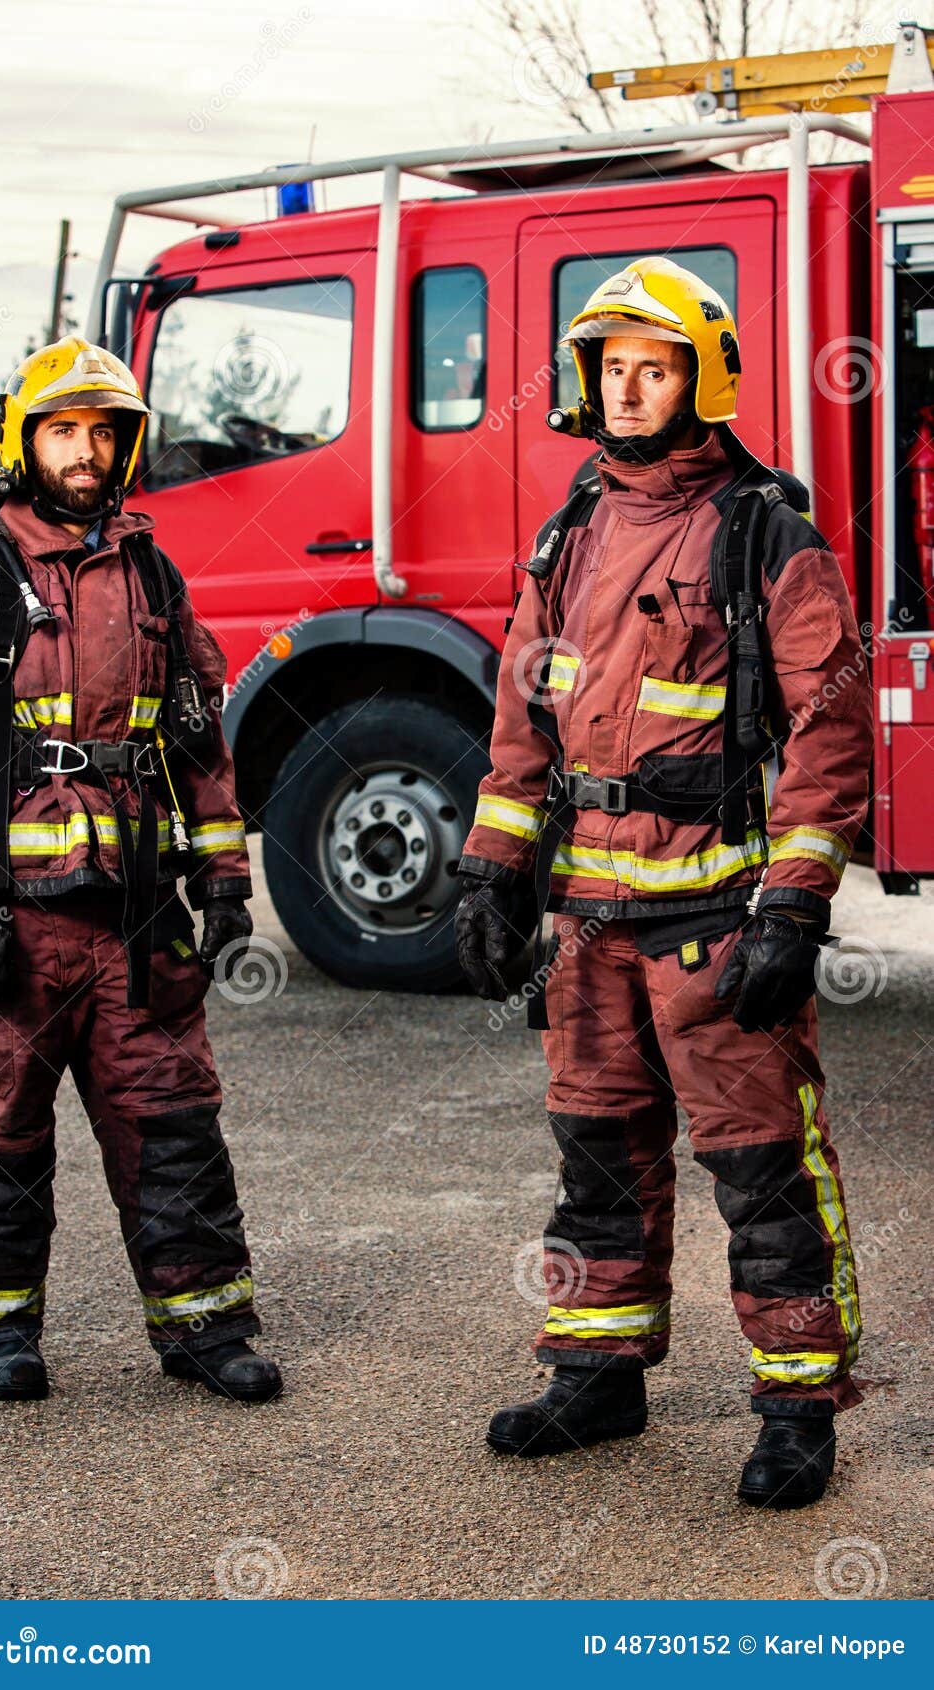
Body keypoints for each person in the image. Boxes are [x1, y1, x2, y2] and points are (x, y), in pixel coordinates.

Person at [455, 258, 873, 1507]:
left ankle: (798, 1404)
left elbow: (828, 734)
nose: (628, 389)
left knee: (760, 1167)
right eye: (611, 367)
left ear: (703, 377)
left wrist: (792, 904)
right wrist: (492, 872)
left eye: (654, 366)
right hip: (588, 930)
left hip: (711, 920)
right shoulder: (568, 527)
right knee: (597, 1157)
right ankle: (597, 1377)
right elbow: (521, 716)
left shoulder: (762, 531)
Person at [0, 336, 281, 1405]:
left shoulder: (151, 569)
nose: (86, 450)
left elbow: (196, 735)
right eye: (65, 429)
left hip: (139, 912)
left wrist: (223, 878)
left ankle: (205, 1327)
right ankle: (1, 1333)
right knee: (3, 1127)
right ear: (28, 439)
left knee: (173, 1119)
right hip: (15, 922)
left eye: (104, 431)